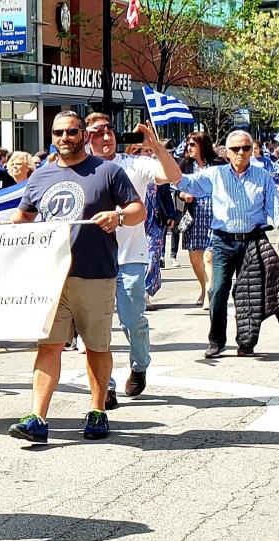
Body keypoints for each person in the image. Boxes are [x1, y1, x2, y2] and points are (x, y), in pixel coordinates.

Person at [4, 111, 146, 443]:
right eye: (58, 133)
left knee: (96, 347)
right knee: (49, 346)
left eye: (71, 131)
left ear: (82, 134)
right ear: (50, 136)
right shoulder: (41, 176)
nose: (64, 137)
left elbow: (138, 209)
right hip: (51, 277)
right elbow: (23, 214)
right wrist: (8, 225)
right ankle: (38, 417)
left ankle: (97, 411)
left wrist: (119, 216)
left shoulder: (107, 171)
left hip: (95, 274)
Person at [82, 113, 182, 406]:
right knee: (97, 326)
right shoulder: (81, 169)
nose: (106, 137)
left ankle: (139, 366)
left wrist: (156, 147)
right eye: (97, 132)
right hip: (93, 258)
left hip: (130, 255)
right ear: (87, 137)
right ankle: (106, 386)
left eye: (110, 130)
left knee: (131, 319)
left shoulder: (135, 163)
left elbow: (174, 176)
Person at [175, 131, 279, 358]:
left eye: (246, 148)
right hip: (222, 242)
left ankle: (246, 342)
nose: (241, 153)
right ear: (226, 152)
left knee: (249, 294)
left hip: (252, 241)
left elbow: (275, 206)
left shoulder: (262, 176)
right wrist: (163, 159)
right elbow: (185, 182)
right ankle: (216, 340)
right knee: (217, 290)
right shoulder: (215, 174)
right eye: (236, 149)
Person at [178, 131, 221, 309]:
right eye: (188, 144)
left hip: (214, 215)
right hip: (194, 216)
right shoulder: (186, 166)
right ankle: (204, 288)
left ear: (202, 145)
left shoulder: (218, 166)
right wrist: (184, 195)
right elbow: (176, 189)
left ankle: (210, 295)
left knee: (209, 257)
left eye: (192, 144)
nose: (189, 148)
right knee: (196, 259)